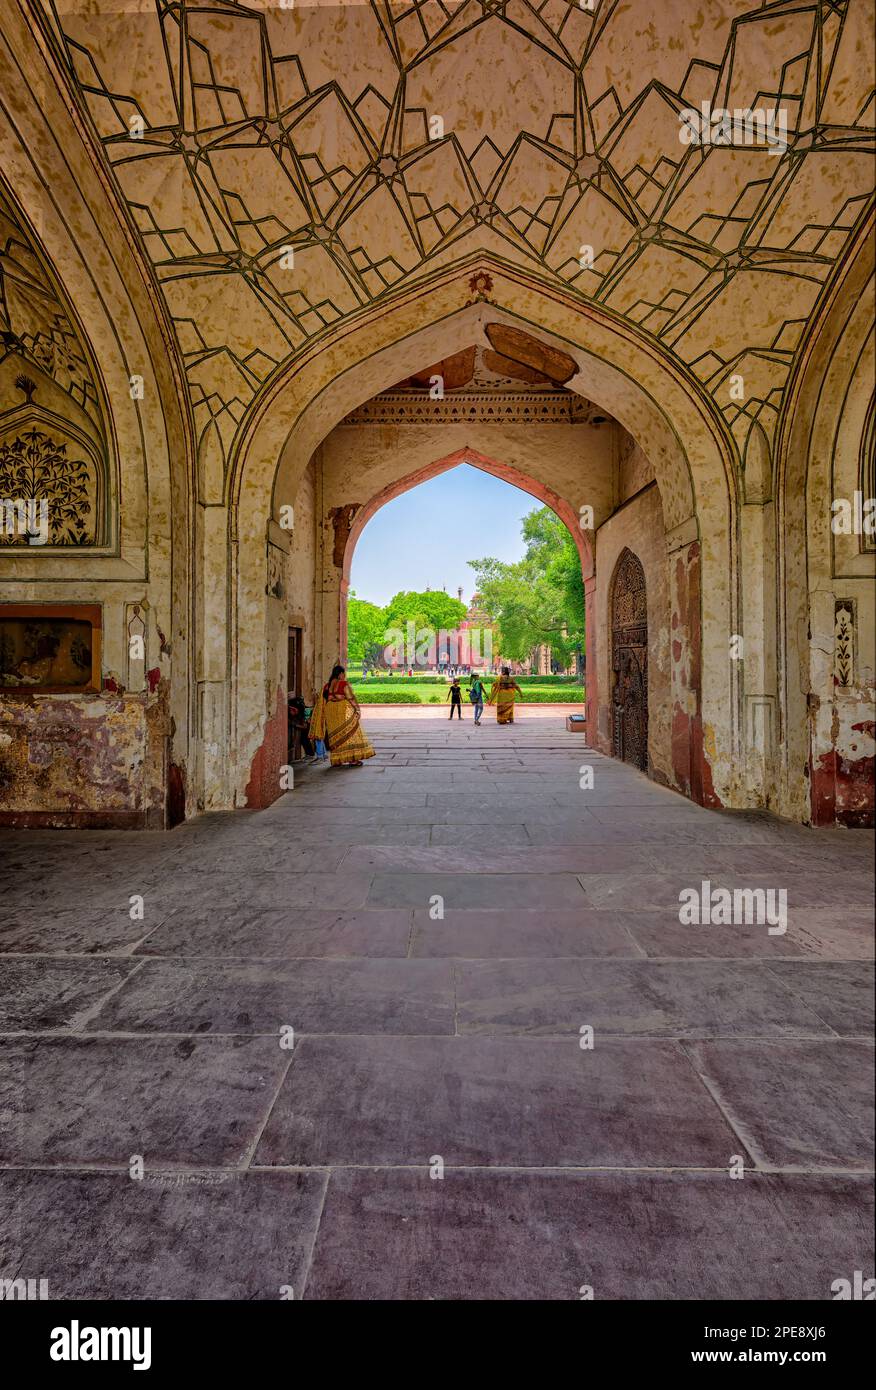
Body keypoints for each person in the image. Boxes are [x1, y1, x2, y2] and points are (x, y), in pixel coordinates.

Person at [309, 664, 375, 767]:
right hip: (341, 711)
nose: (344, 676)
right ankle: (352, 760)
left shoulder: (327, 686)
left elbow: (322, 701)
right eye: (343, 674)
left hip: (329, 711)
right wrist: (357, 709)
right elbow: (351, 698)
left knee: (334, 736)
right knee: (349, 733)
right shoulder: (343, 684)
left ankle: (337, 760)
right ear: (340, 674)